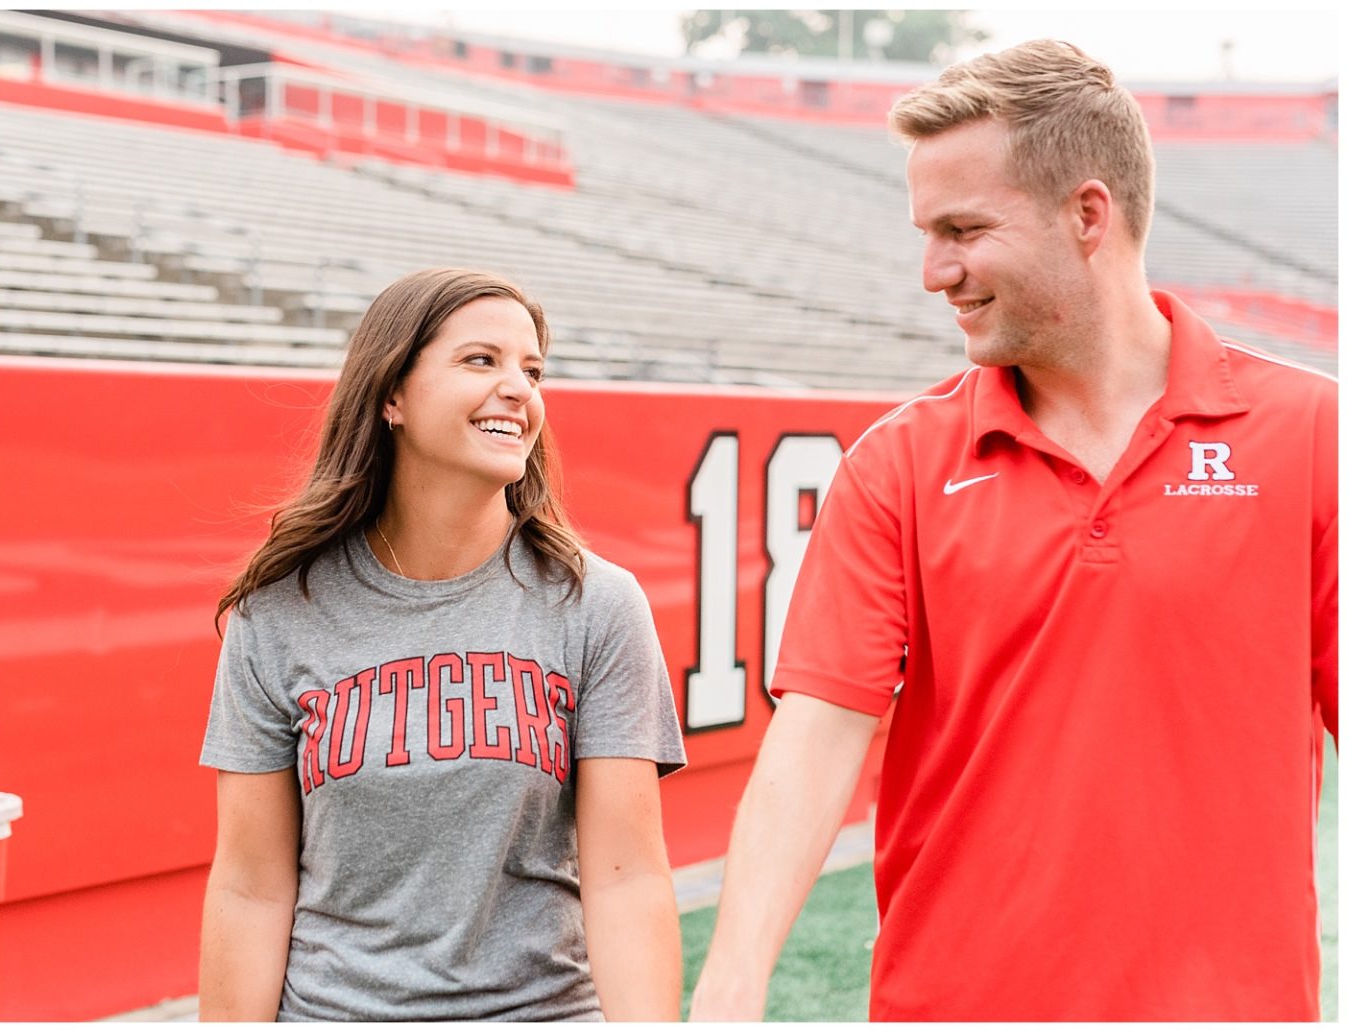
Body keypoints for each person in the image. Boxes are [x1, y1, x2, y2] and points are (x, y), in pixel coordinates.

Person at [690, 39, 1337, 1022]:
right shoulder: (897, 464)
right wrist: (727, 993)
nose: (933, 272)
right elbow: (817, 740)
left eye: (962, 229)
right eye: (926, 233)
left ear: (1088, 214)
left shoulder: (1312, 436)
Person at [199, 267, 687, 1021]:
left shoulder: (596, 605)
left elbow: (627, 880)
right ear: (392, 394)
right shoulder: (279, 613)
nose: (520, 389)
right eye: (481, 361)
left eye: (532, 370)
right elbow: (250, 888)